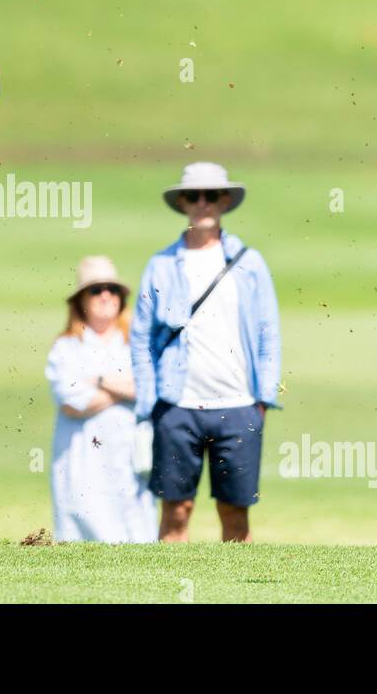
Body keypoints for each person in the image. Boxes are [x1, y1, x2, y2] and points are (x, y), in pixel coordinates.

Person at [131, 161, 281, 543]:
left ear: (225, 201)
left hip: (238, 404)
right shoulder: (161, 265)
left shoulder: (250, 263)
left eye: (211, 196)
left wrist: (262, 399)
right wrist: (152, 402)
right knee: (176, 511)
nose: (203, 204)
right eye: (194, 196)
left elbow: (268, 335)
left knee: (235, 514)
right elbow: (141, 338)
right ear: (182, 202)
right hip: (178, 404)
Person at [45, 256, 156, 543]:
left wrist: (98, 380)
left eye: (112, 289)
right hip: (82, 459)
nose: (106, 295)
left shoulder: (137, 342)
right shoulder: (66, 347)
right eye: (96, 290)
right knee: (86, 528)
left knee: (137, 528)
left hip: (130, 455)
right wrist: (124, 390)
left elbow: (150, 387)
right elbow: (72, 401)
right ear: (81, 299)